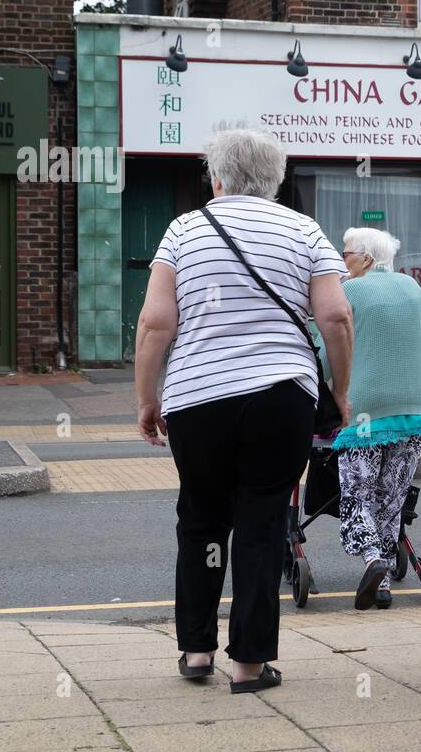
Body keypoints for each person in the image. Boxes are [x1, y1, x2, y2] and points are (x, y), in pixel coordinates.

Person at [135, 127, 353, 694]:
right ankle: (250, 664)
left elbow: (156, 323)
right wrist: (341, 390)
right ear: (276, 182)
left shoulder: (183, 231)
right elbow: (335, 319)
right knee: (262, 523)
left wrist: (146, 398)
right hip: (281, 395)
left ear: (218, 178)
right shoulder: (304, 229)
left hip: (196, 398)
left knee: (202, 519)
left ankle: (197, 651)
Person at [327, 227, 421, 609]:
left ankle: (374, 560)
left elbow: (330, 349)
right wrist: (418, 388)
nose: (342, 261)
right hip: (410, 412)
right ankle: (383, 583)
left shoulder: (349, 292)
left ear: (365, 258)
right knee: (391, 500)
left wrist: (331, 390)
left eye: (346, 254)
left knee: (358, 496)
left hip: (363, 413)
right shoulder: (413, 289)